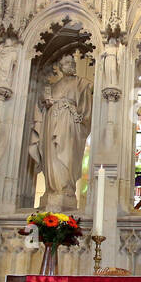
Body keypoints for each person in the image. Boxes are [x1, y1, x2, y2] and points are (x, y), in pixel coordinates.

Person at [30, 54, 92, 210]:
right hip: (52, 122)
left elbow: (92, 97)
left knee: (66, 154)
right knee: (51, 154)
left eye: (72, 62)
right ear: (60, 66)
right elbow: (40, 106)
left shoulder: (81, 83)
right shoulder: (52, 86)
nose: (71, 65)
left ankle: (66, 190)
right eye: (67, 63)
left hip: (69, 123)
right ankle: (52, 190)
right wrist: (46, 101)